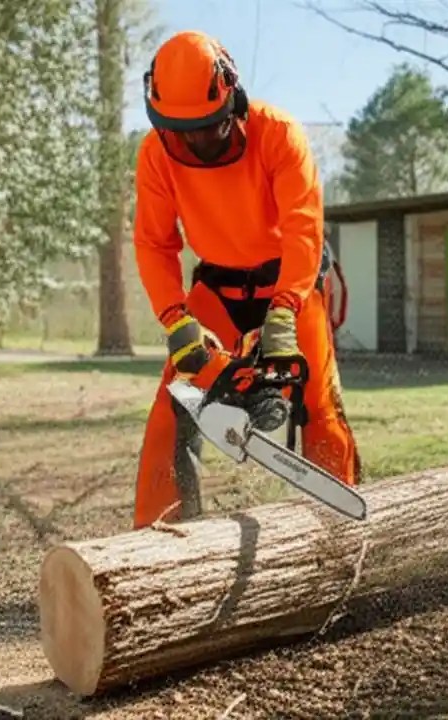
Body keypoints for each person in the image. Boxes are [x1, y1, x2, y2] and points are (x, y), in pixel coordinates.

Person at [130, 30, 361, 529]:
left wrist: (284, 311)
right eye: (179, 132)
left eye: (206, 129)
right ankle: (156, 541)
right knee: (172, 409)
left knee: (320, 406)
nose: (193, 141)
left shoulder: (277, 134)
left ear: (231, 100)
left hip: (290, 281)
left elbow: (303, 228)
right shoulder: (155, 155)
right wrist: (176, 320)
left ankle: (339, 539)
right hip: (217, 285)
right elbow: (154, 243)